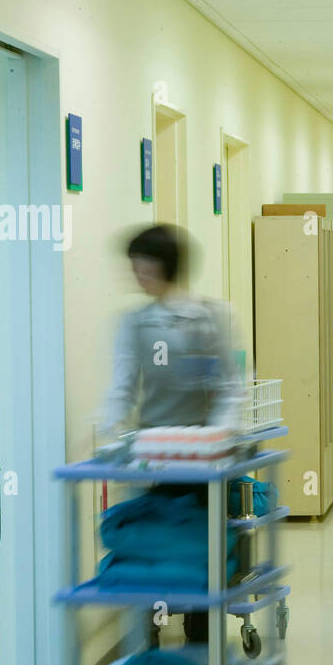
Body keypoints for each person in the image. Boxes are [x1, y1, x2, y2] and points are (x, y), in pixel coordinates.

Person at [100, 224, 246, 643]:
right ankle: (148, 653)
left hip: (206, 460)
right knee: (154, 550)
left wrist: (215, 440)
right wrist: (112, 433)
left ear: (165, 266)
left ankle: (201, 644)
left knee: (200, 550)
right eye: (133, 265)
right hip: (154, 454)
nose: (135, 274)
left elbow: (230, 387)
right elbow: (123, 385)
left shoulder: (214, 316)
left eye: (142, 264)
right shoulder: (135, 323)